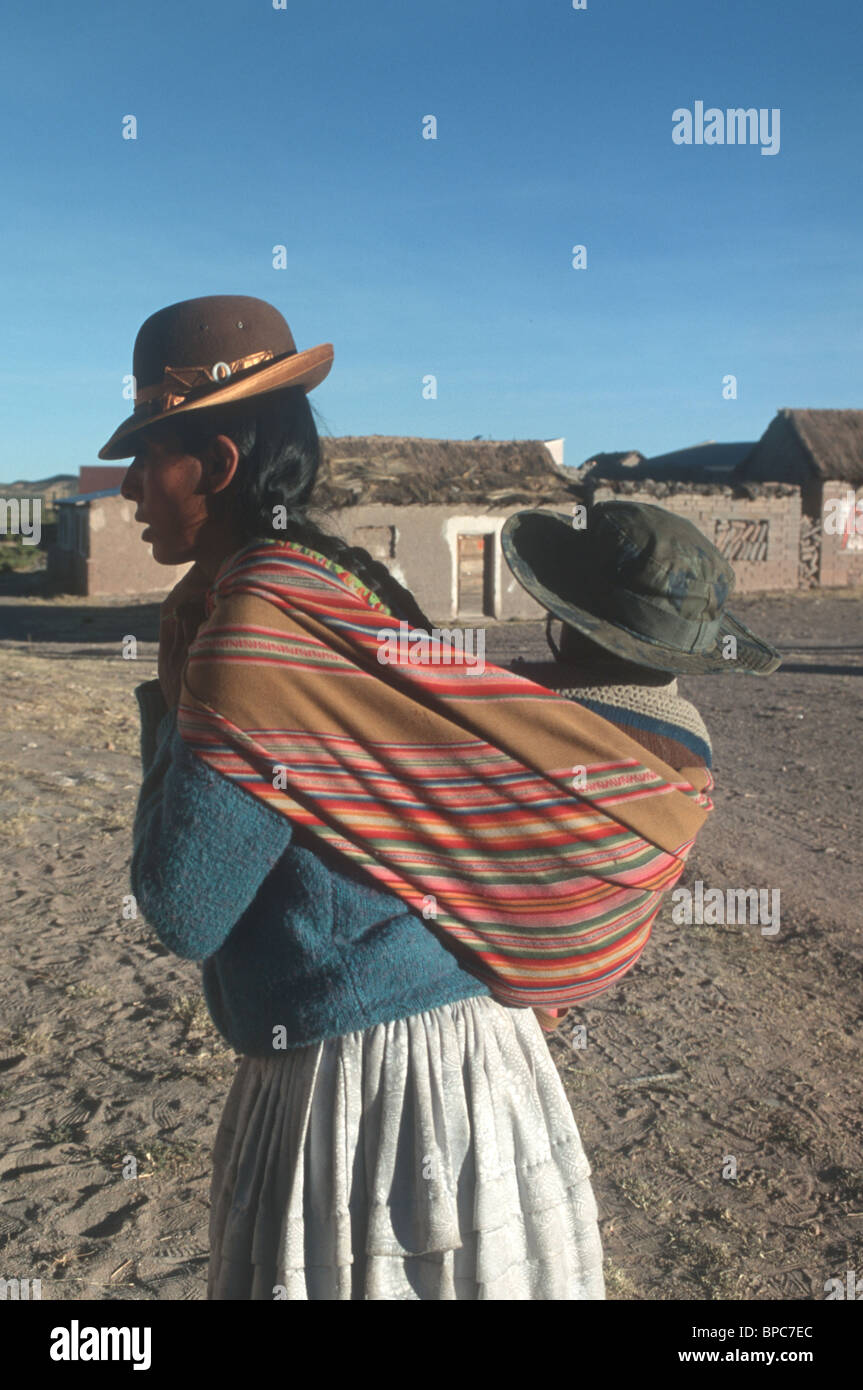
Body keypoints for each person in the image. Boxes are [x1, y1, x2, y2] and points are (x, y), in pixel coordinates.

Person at [108, 295, 608, 1301]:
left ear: (214, 463)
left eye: (147, 454)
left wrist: (172, 702)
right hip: (466, 1048)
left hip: (373, 1084)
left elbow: (182, 903)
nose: (126, 487)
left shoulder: (253, 625)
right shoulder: (347, 583)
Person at [500, 503, 782, 1025]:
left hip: (476, 969)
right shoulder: (690, 746)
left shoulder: (502, 704)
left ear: (564, 615)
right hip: (592, 965)